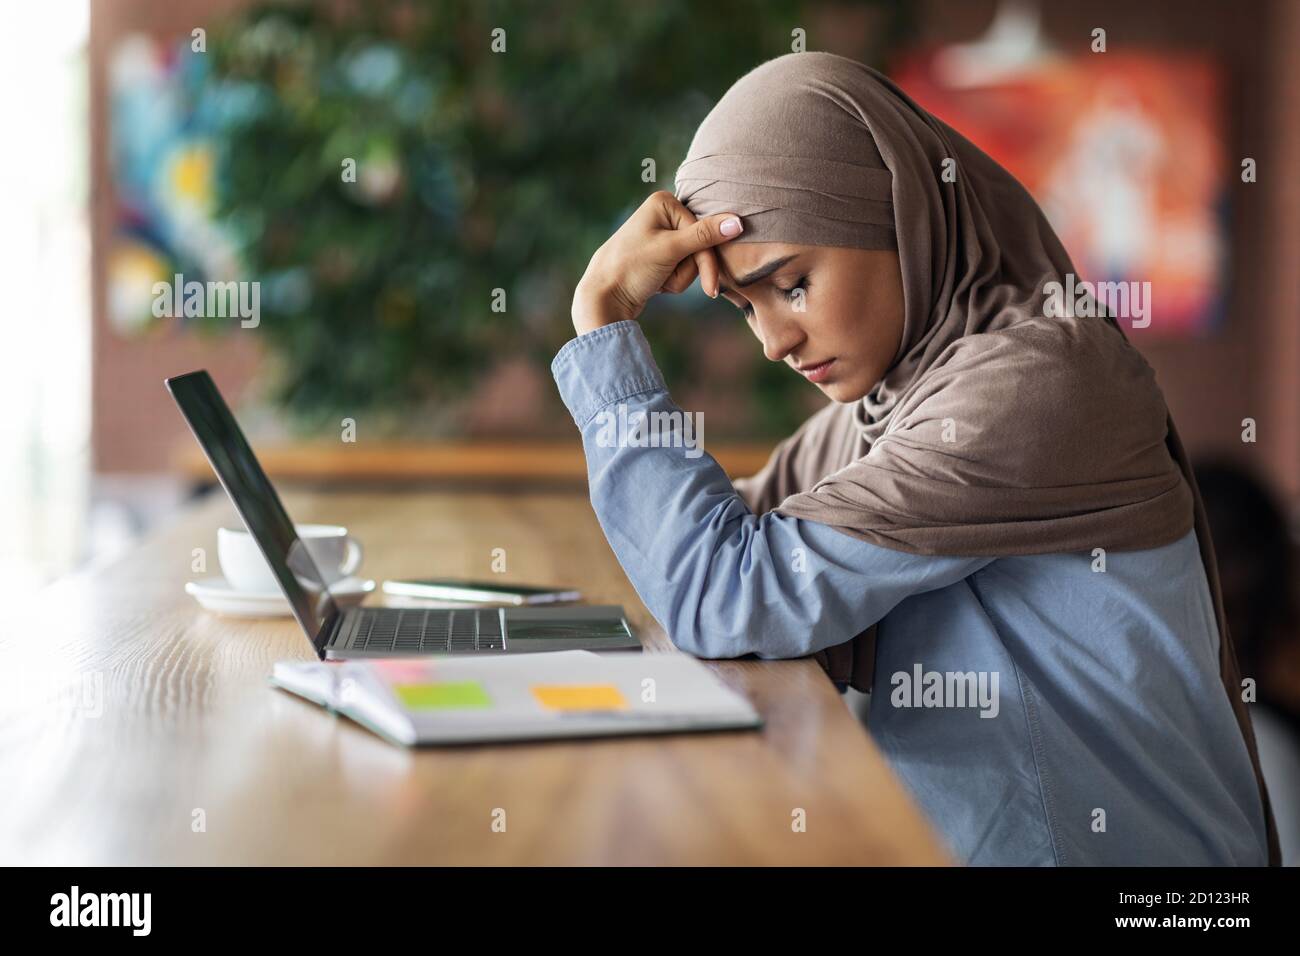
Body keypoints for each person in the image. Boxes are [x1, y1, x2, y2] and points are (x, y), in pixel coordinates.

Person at [550, 52, 1277, 865]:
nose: (773, 341)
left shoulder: (1032, 385)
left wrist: (603, 319)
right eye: (742, 305)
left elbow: (724, 591)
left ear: (902, 218)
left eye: (790, 283)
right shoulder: (898, 398)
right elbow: (710, 547)